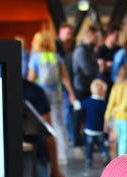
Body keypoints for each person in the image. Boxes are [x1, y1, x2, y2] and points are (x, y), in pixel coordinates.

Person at [23, 79, 67, 177]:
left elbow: (49, 133)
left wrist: (55, 169)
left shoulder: (34, 91)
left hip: (37, 154)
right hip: (32, 154)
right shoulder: (33, 90)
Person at [28, 30, 77, 165]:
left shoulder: (35, 58)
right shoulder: (56, 56)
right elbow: (65, 77)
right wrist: (72, 94)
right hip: (57, 93)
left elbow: (31, 79)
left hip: (41, 94)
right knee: (59, 123)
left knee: (44, 124)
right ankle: (63, 154)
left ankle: (48, 154)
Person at [72, 25, 101, 146]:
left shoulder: (91, 50)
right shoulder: (81, 51)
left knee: (87, 116)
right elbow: (88, 69)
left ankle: (87, 140)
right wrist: (97, 66)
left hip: (89, 87)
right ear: (89, 37)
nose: (97, 40)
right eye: (95, 37)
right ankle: (77, 141)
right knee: (78, 116)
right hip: (81, 88)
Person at [80, 79, 111, 168]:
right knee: (101, 144)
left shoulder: (88, 101)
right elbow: (107, 116)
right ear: (102, 92)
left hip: (89, 129)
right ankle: (105, 155)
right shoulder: (104, 103)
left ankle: (89, 160)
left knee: (89, 146)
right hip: (100, 129)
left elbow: (78, 105)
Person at [56, 23, 77, 146]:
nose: (69, 36)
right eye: (67, 33)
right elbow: (63, 74)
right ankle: (68, 139)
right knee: (65, 114)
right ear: (60, 32)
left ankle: (70, 139)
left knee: (67, 113)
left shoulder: (70, 47)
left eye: (70, 33)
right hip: (59, 87)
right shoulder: (57, 48)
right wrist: (71, 92)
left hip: (65, 85)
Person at [97, 26, 121, 91]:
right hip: (104, 82)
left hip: (116, 82)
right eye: (116, 36)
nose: (117, 39)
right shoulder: (101, 49)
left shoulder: (119, 49)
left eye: (118, 36)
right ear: (109, 35)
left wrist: (110, 65)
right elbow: (101, 68)